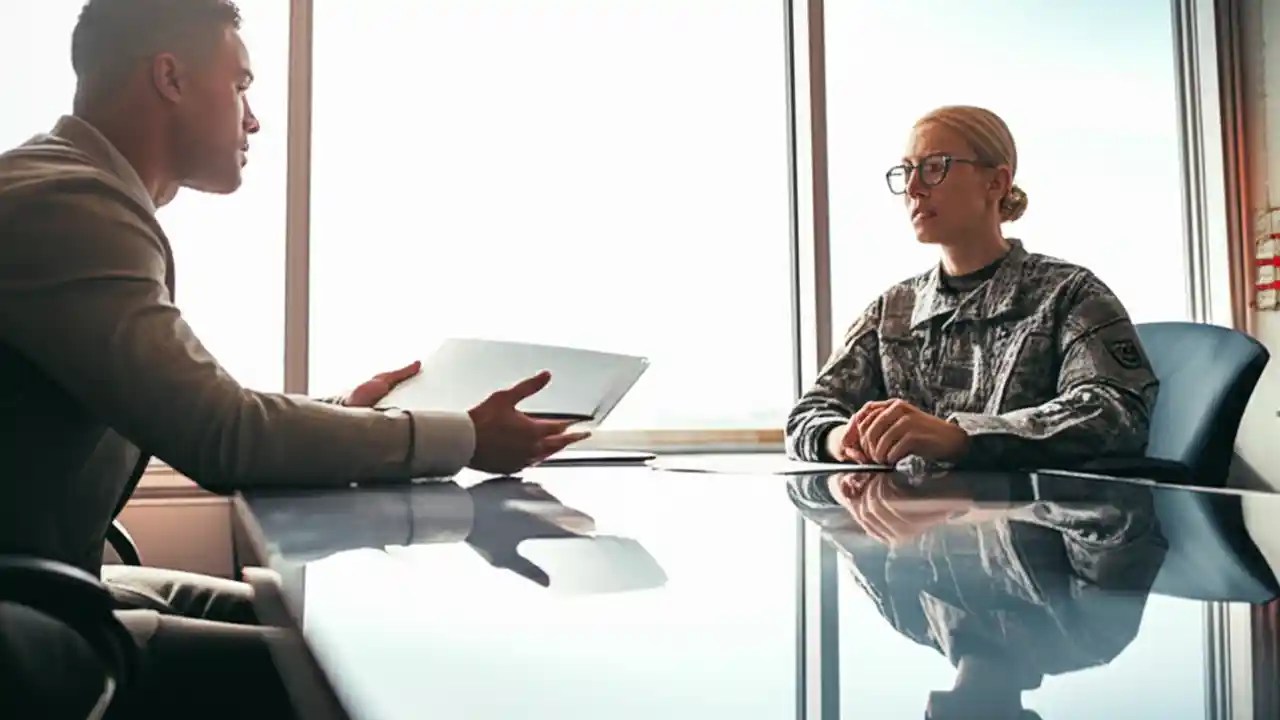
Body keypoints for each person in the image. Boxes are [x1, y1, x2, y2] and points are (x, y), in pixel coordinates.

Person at [0, 0, 587, 715]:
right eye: (241, 85)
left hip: (46, 582)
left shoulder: (70, 190)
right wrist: (463, 438)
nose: (252, 120)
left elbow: (194, 403)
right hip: (24, 609)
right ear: (170, 78)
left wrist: (343, 413)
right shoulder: (67, 206)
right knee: (365, 673)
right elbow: (222, 434)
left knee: (328, 627)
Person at [786, 105, 1159, 470]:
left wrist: (961, 438)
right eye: (907, 170)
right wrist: (844, 439)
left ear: (996, 182)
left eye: (935, 167)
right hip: (906, 511)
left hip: (1036, 511)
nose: (913, 188)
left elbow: (1115, 411)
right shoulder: (893, 310)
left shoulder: (1069, 294)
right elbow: (808, 415)